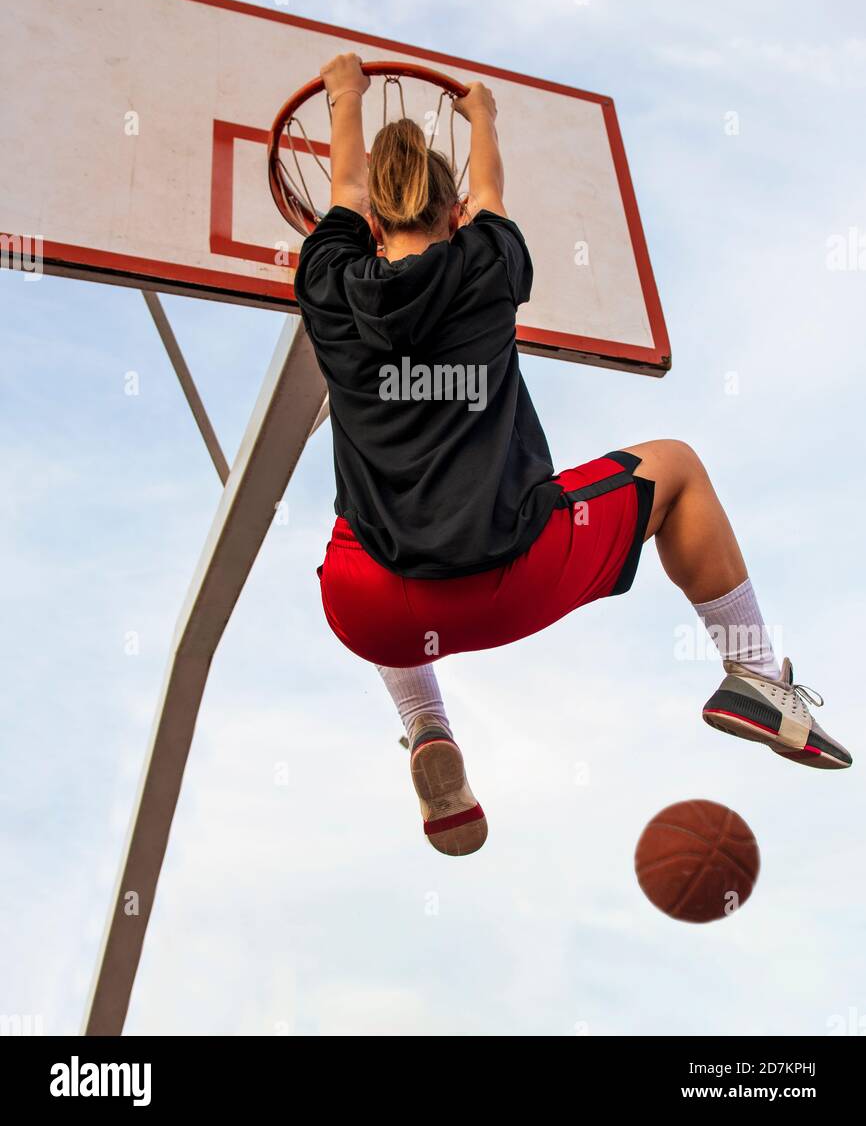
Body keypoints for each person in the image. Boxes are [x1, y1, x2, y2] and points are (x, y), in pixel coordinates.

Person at [294, 53, 852, 856]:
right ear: (455, 216)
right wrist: (481, 115)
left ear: (371, 227)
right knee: (678, 467)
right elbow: (493, 195)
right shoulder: (489, 265)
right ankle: (757, 676)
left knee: (360, 523)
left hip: (369, 607)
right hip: (503, 583)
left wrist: (344, 98)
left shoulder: (327, 282)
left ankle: (424, 726)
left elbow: (344, 190)